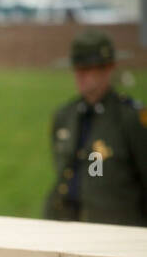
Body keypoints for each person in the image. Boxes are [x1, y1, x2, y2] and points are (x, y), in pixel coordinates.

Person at [43, 29, 147, 226]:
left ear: (108, 69)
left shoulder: (130, 118)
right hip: (67, 224)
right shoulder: (65, 116)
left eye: (89, 69)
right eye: (78, 69)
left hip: (115, 228)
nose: (82, 76)